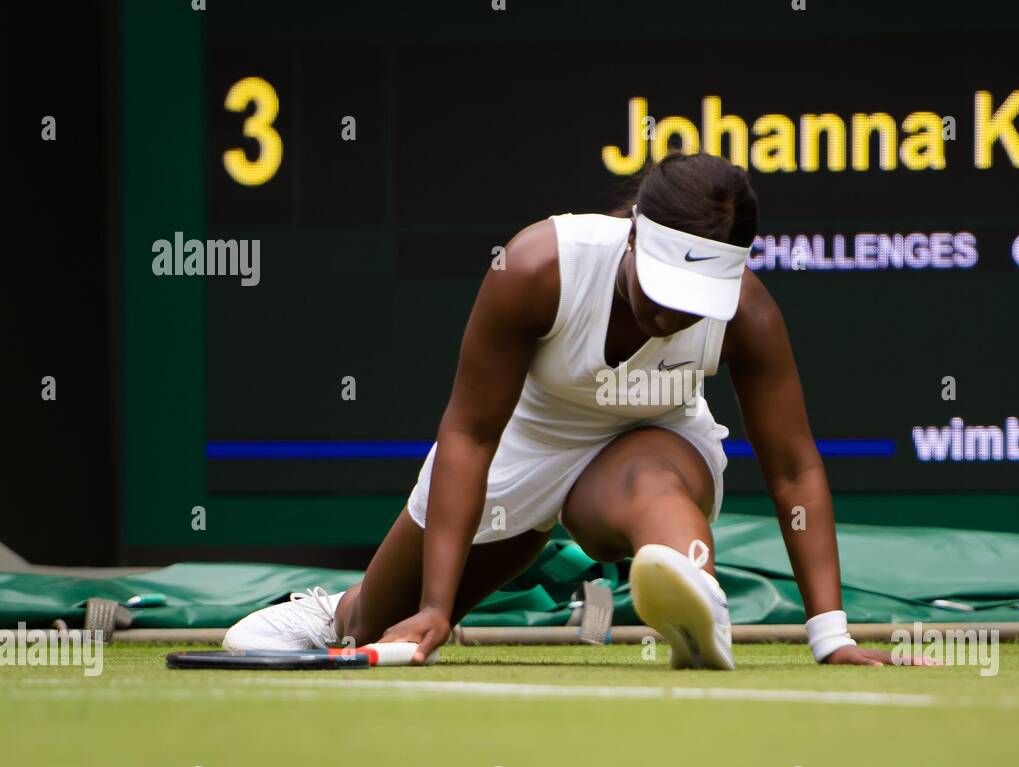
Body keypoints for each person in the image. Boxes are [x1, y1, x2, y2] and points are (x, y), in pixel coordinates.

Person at [224, 152, 919, 668]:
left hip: (656, 440)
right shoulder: (536, 266)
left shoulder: (750, 313)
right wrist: (435, 606)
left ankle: (692, 591)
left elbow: (795, 471)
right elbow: (470, 433)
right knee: (377, 624)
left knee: (652, 482)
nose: (672, 312)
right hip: (523, 444)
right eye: (664, 285)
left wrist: (833, 635)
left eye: (694, 299)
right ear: (635, 232)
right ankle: (339, 611)